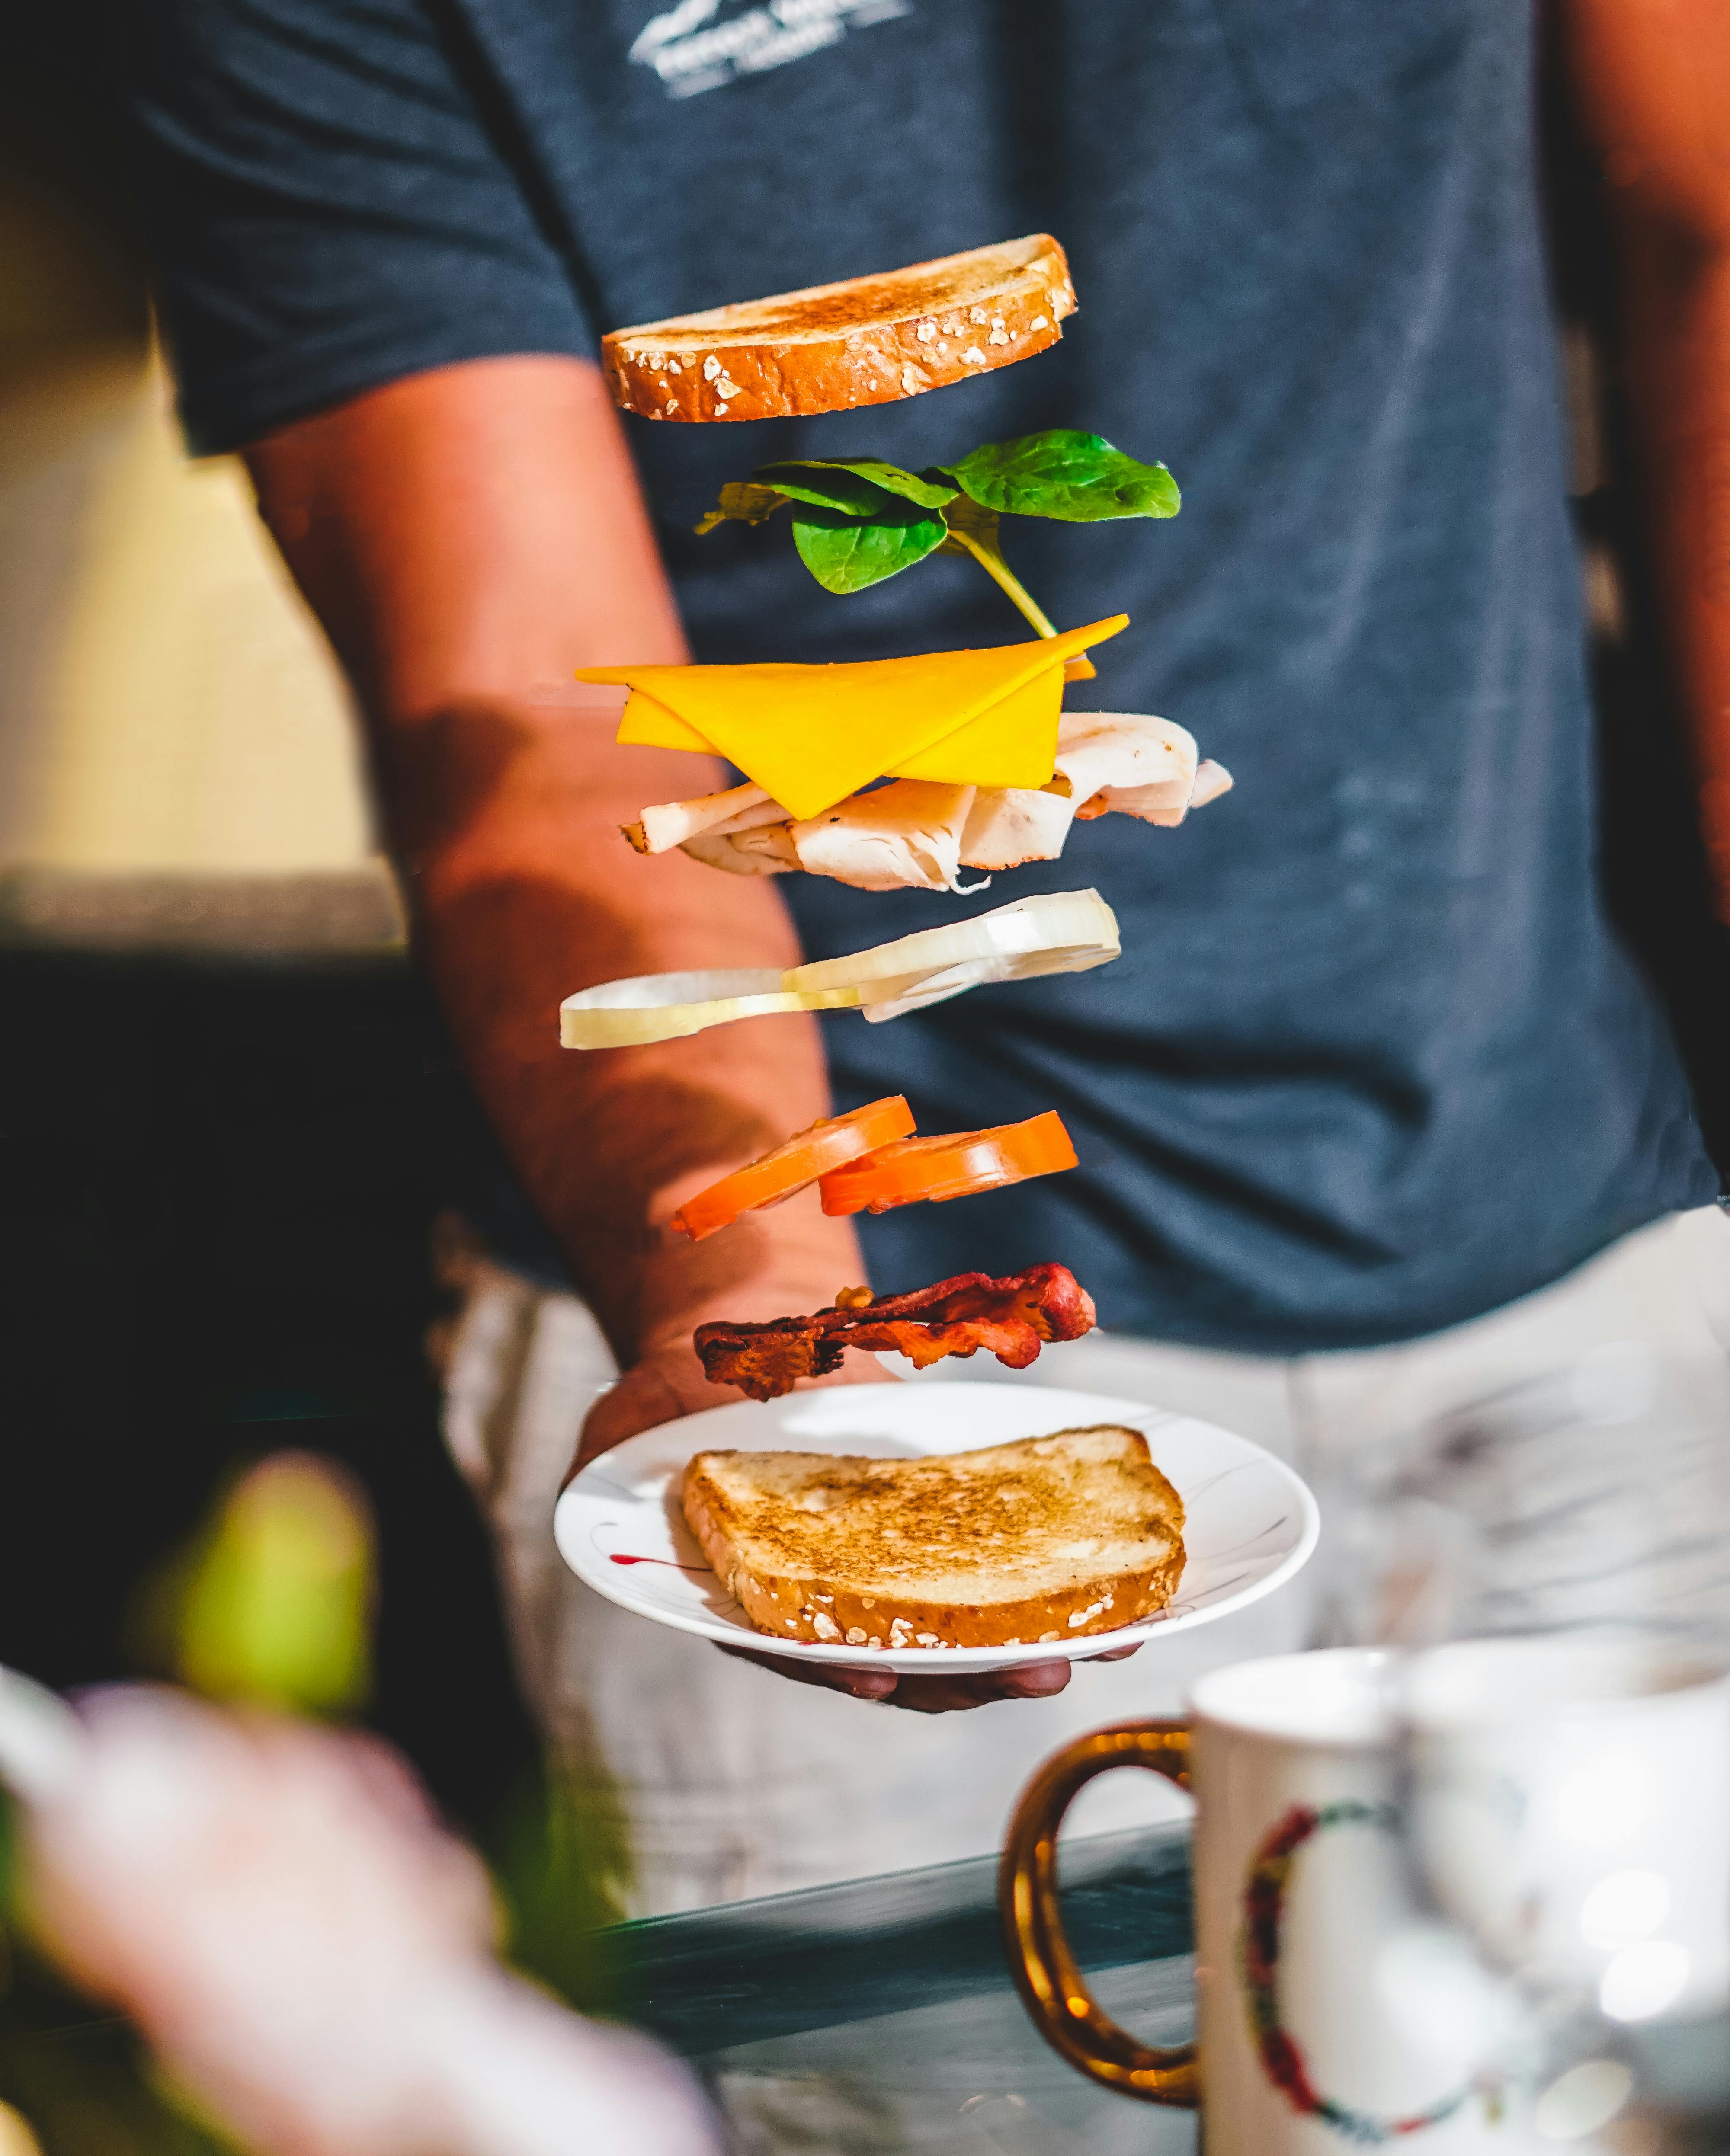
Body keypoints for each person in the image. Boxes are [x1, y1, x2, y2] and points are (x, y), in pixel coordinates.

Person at [111, 1, 1730, 1915]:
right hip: (843, 1320)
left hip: (1588, 1265)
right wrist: (779, 1327)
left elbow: (1706, 219)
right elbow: (543, 720)